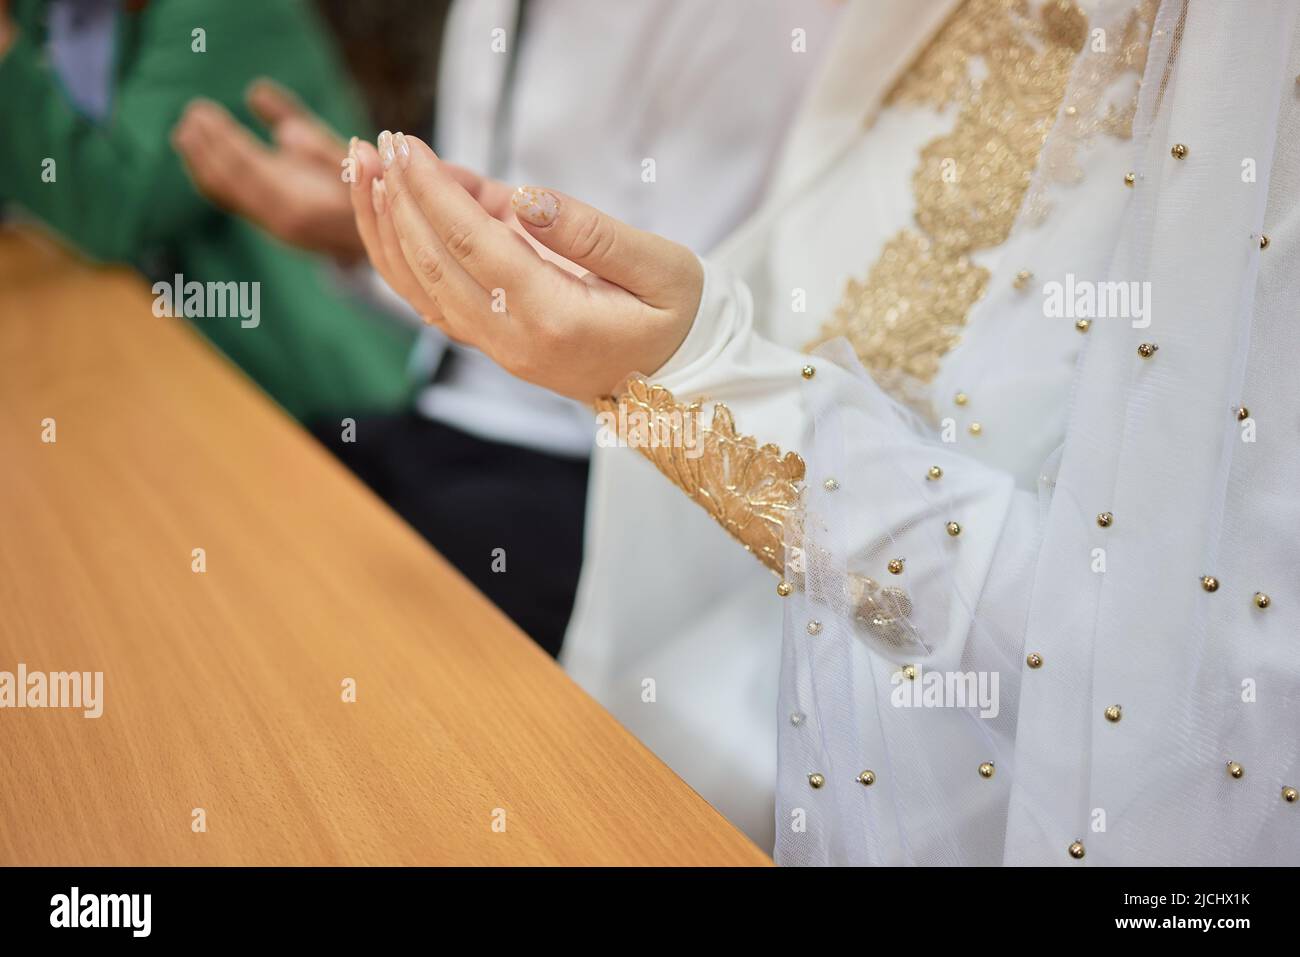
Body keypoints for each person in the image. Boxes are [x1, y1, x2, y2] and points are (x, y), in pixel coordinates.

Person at [346, 0, 1300, 865]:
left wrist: (692, 385)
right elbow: (791, 316)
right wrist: (581, 306)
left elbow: (1160, 715)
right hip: (682, 689)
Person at [170, 0, 838, 839]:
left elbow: (680, 337)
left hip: (591, 469)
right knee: (216, 527)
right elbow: (489, 280)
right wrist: (363, 230)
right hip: (442, 411)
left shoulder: (744, 24)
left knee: (334, 703)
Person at [0, 0, 414, 423]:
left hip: (324, 390)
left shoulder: (223, 9)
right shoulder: (54, 13)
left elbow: (118, 210)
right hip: (194, 363)